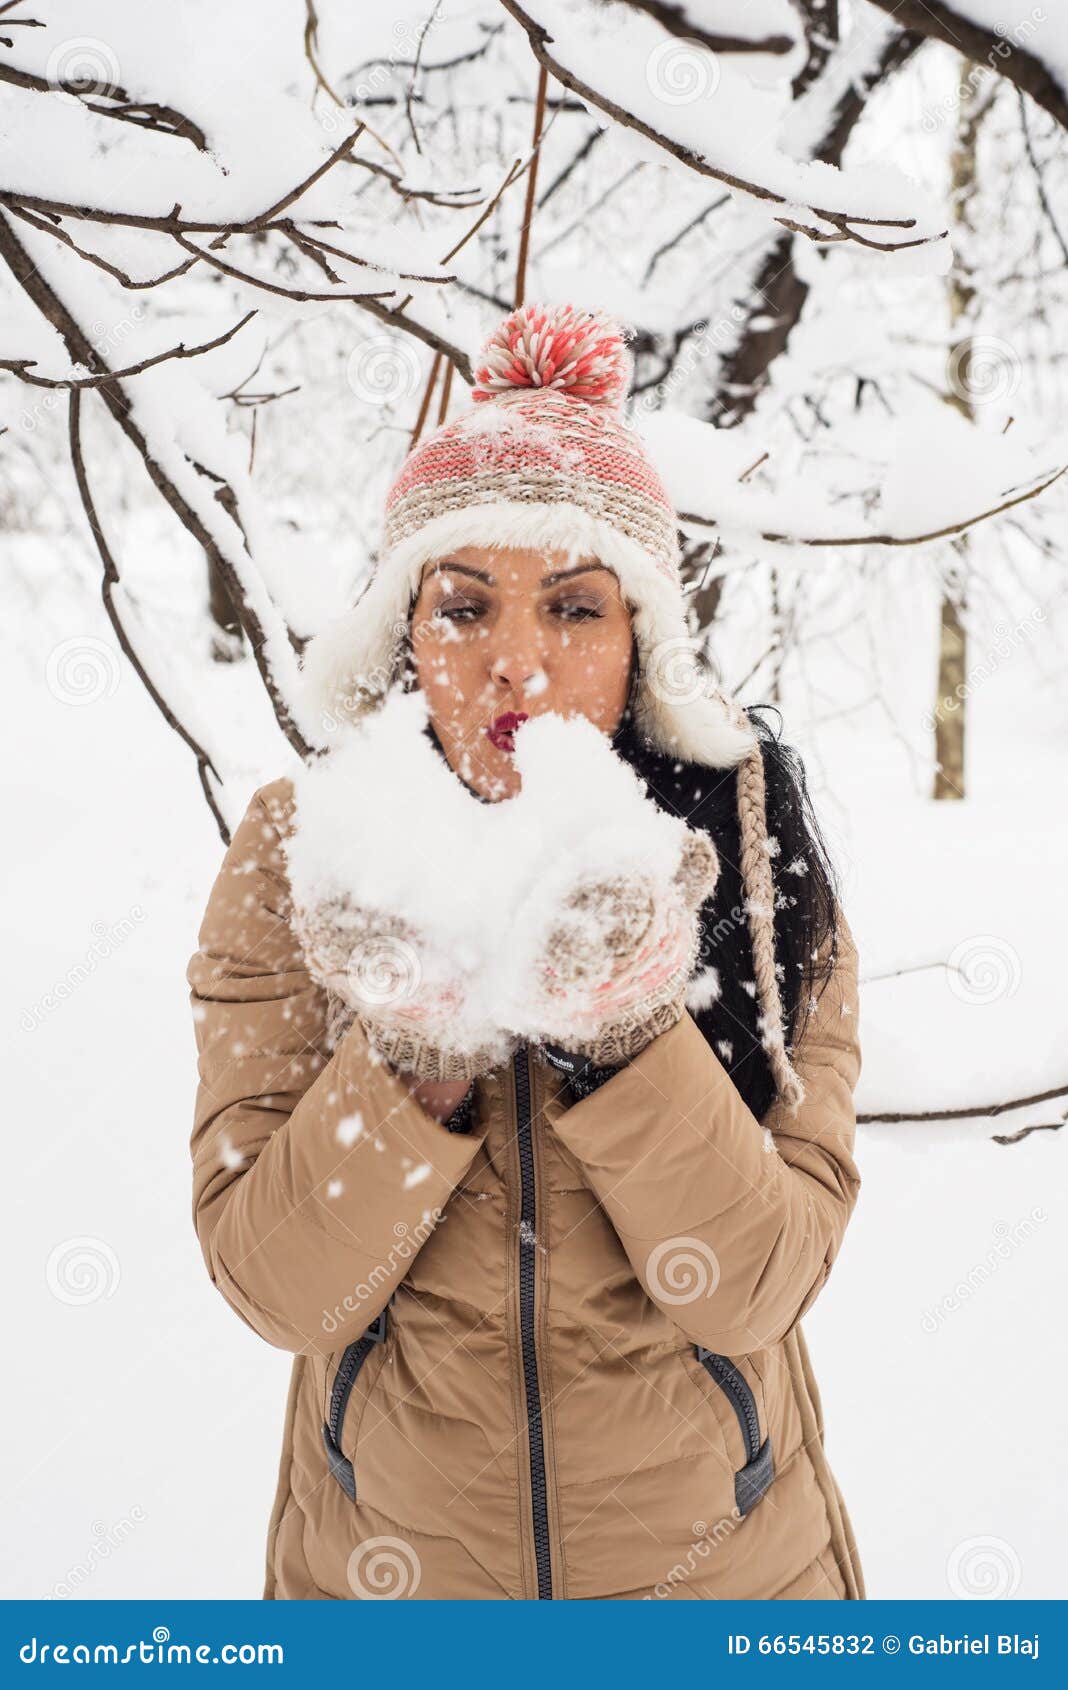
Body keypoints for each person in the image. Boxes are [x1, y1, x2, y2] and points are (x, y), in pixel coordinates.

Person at [186, 302, 863, 1601]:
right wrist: (414, 1057)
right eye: (463, 607)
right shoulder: (301, 856)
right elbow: (278, 1288)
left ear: (641, 637)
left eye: (572, 606)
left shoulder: (750, 856)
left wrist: (627, 1029)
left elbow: (756, 1286)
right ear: (403, 633)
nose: (515, 664)